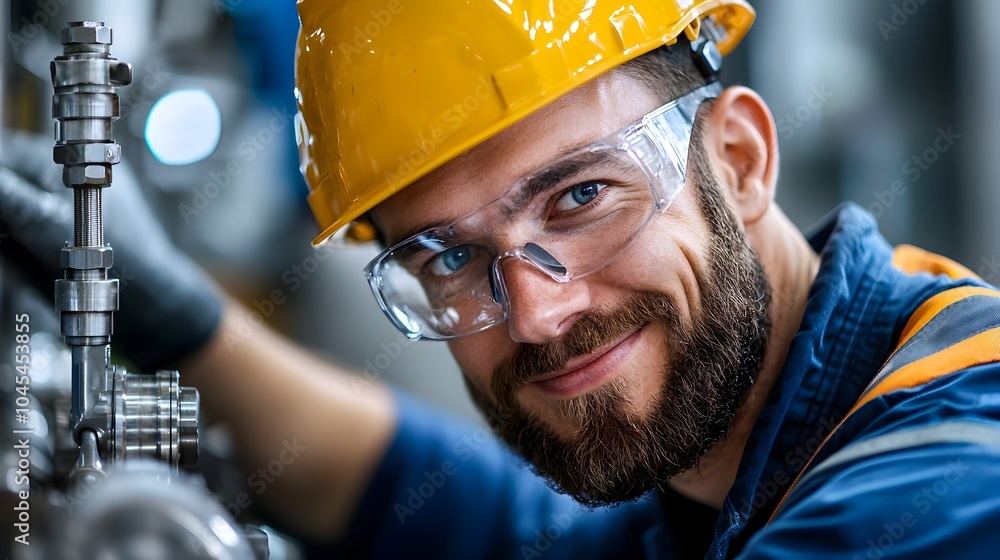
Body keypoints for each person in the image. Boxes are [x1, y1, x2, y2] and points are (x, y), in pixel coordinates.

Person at [3, 0, 1000, 558]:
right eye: (445, 256)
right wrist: (180, 320)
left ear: (736, 160)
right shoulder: (738, 459)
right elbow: (503, 533)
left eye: (579, 197)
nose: (534, 309)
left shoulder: (947, 489)